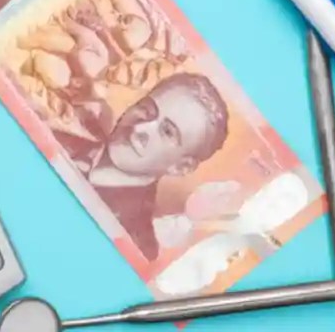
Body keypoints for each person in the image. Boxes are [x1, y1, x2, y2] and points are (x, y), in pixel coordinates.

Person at [54, 72, 230, 261]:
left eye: (167, 132)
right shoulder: (63, 131)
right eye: (147, 109)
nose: (139, 129)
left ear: (181, 167)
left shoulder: (134, 244)